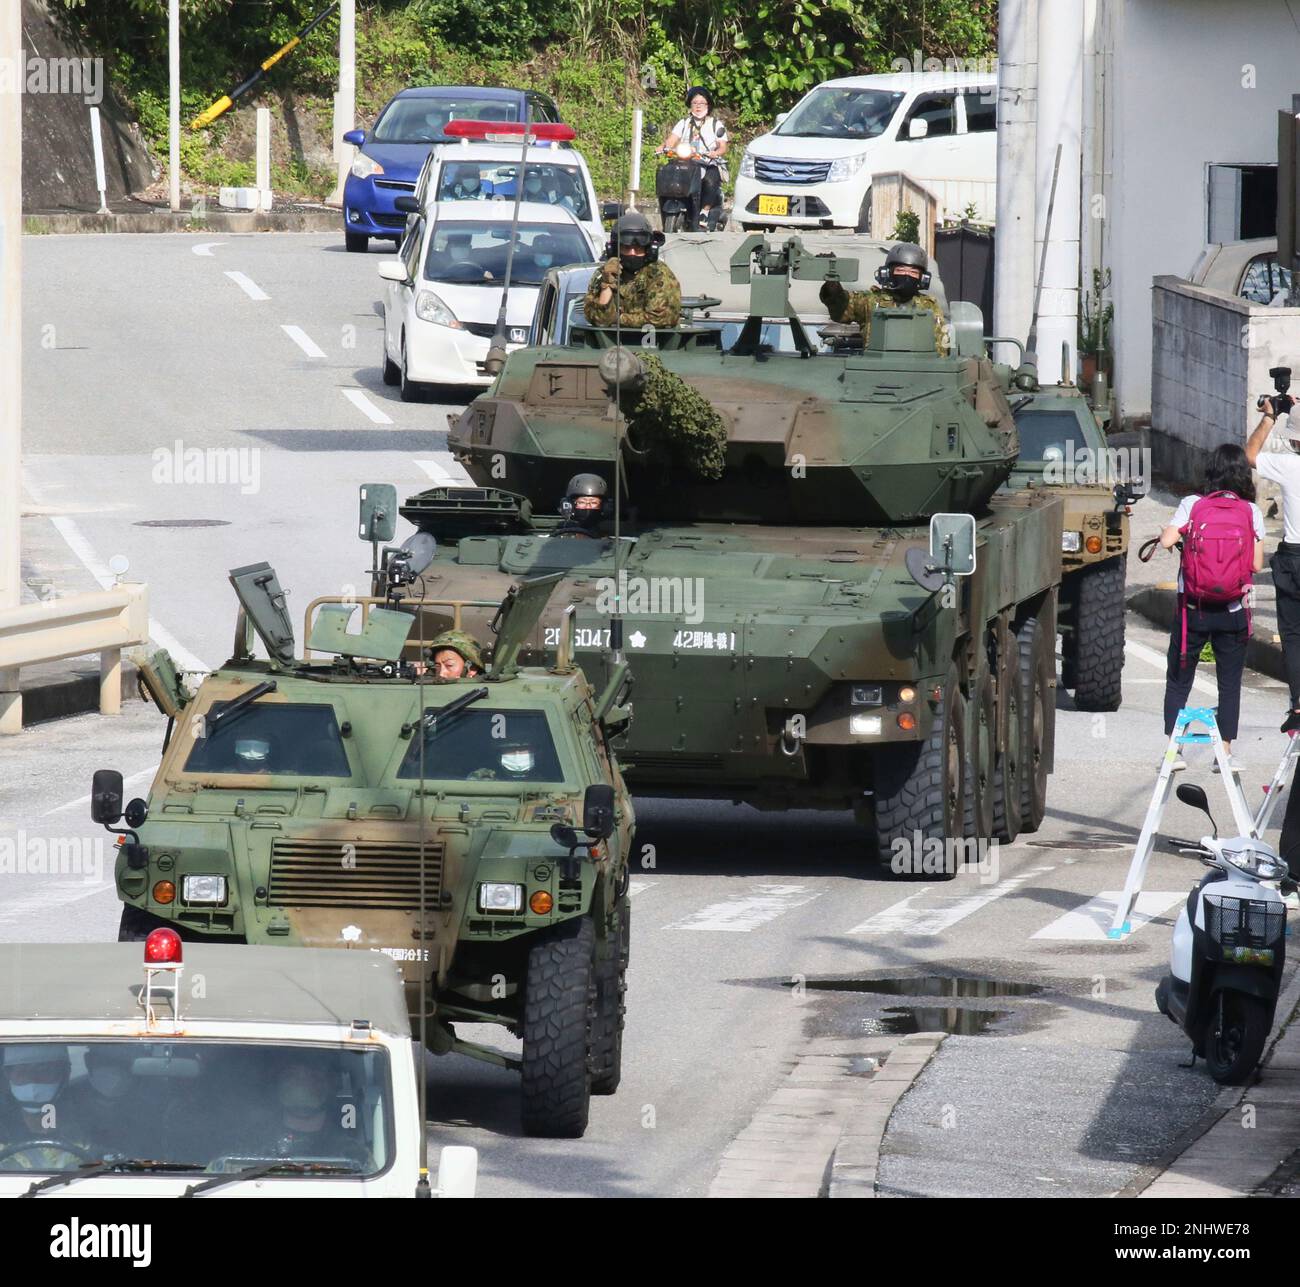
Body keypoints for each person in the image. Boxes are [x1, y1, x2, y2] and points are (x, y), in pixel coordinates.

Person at [1158, 444, 1265, 772]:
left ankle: (1174, 753)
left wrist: (1173, 536)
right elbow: (1257, 565)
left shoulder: (1193, 504)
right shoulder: (1250, 511)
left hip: (1194, 609)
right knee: (1229, 682)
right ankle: (1225, 754)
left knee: (1179, 678)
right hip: (1233, 611)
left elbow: (1165, 542)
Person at [1245, 394, 1300, 733]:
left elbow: (1248, 455)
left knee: (1293, 635)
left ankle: (1298, 705)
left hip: (1294, 557)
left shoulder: (1290, 465)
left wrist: (1271, 416)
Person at [819, 242, 949, 355]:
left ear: (922, 278)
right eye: (900, 270)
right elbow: (842, 307)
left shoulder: (929, 306)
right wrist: (832, 282)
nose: (907, 276)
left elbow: (941, 345)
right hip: (875, 368)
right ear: (888, 273)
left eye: (913, 272)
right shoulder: (871, 300)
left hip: (918, 372)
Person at [584, 211, 681, 329]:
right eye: (626, 248)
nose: (632, 253)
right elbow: (600, 320)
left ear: (649, 249)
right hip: (609, 343)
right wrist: (607, 285)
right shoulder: (603, 273)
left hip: (654, 342)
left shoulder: (659, 274)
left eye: (638, 248)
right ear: (615, 249)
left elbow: (661, 318)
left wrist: (619, 319)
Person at [0, 1044, 91, 1170]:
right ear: (7, 1076)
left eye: (44, 1070)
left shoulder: (88, 1128)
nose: (32, 1079)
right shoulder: (3, 1132)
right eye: (22, 1071)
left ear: (64, 1073)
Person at [661, 86, 729, 230]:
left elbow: (723, 146)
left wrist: (715, 153)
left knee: (711, 179)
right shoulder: (684, 123)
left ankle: (705, 210)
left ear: (708, 105)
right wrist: (664, 147)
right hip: (686, 161)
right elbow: (672, 140)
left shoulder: (716, 124)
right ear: (690, 105)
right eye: (695, 103)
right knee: (667, 172)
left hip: (707, 162)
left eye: (701, 103)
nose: (698, 106)